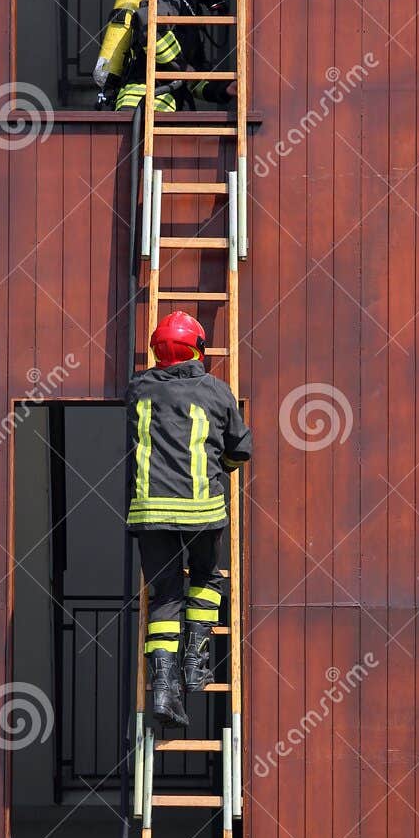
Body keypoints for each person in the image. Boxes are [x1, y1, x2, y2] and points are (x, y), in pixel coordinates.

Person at [126, 311, 252, 727]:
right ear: (199, 348)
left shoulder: (139, 389)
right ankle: (196, 666)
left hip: (151, 513)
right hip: (202, 510)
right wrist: (218, 465)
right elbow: (238, 451)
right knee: (206, 578)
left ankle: (164, 690)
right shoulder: (217, 392)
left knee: (165, 595)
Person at [93, 0, 233, 113]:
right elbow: (149, 25)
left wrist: (224, 89)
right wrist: (182, 67)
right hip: (140, 102)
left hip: (163, 105)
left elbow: (193, 77)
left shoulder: (190, 14)